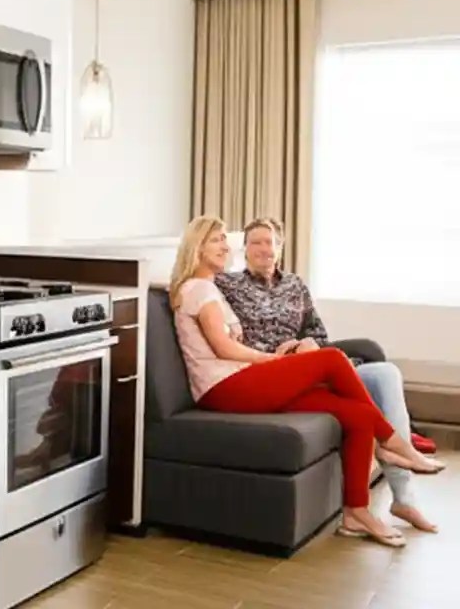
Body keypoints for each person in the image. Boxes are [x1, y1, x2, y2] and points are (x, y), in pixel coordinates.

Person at [169, 215, 441, 548]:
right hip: (227, 387)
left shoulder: (216, 287)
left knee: (354, 414)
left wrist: (298, 351)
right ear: (196, 247)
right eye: (217, 240)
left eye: (227, 239)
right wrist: (275, 360)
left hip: (244, 380)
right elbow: (223, 347)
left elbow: (313, 332)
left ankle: (356, 512)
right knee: (332, 360)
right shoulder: (203, 288)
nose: (227, 246)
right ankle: (394, 442)